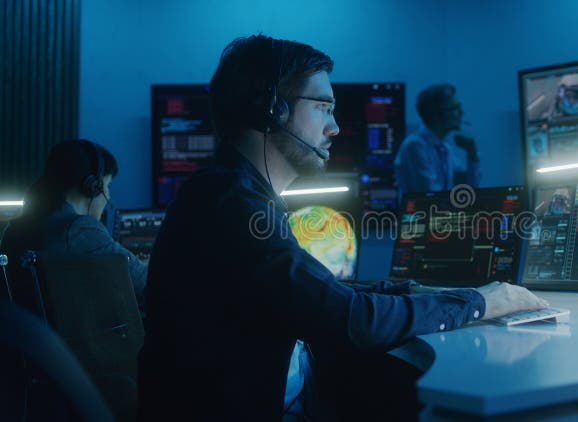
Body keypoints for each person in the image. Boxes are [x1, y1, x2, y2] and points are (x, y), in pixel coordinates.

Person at [137, 35, 547, 421]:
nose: (334, 127)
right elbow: (351, 318)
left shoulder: (232, 193)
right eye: (323, 107)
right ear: (272, 110)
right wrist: (480, 303)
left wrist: (414, 291)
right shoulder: (230, 205)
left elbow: (317, 293)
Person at [1, 139, 147, 304]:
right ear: (93, 187)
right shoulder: (79, 230)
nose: (109, 195)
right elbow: (148, 285)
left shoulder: (14, 229)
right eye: (108, 185)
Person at [394, 84, 481, 196]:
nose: (461, 113)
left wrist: (472, 152)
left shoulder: (444, 148)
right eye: (455, 108)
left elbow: (470, 191)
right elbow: (430, 197)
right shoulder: (415, 146)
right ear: (436, 114)